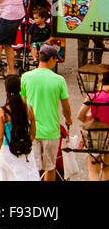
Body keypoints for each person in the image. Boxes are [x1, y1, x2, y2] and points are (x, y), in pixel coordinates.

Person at [20, 44, 73, 180]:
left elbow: (23, 103)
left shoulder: (26, 77)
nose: (55, 63)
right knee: (50, 167)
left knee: (33, 167)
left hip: (31, 129)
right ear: (51, 59)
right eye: (56, 60)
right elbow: (66, 106)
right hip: (51, 130)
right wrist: (68, 120)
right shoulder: (59, 80)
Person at [0, 74, 40, 181]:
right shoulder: (28, 109)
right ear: (20, 88)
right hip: (25, 152)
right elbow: (33, 133)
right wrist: (23, 143)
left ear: (5, 89)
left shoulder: (1, 112)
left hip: (6, 152)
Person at [76, 68, 109, 181]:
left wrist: (89, 119)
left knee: (93, 169)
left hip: (95, 135)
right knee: (107, 168)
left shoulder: (94, 95)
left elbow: (80, 115)